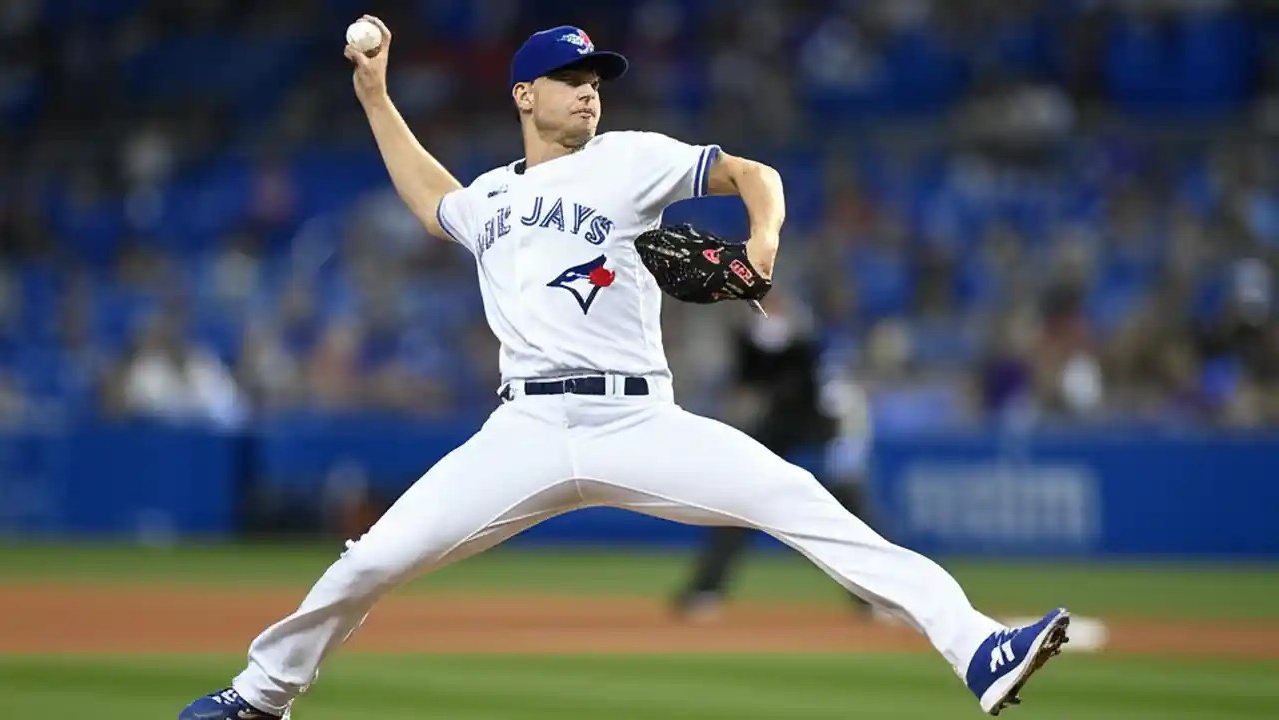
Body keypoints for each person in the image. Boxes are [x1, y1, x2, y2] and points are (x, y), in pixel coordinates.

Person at [180, 18, 1068, 720]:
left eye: (597, 80)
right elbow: (431, 200)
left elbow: (755, 174)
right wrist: (375, 94)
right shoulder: (491, 198)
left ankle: (978, 648)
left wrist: (762, 242)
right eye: (572, 80)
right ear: (526, 93)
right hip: (522, 430)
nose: (589, 93)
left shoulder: (630, 159)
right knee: (370, 562)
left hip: (639, 421)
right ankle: (259, 698)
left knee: (802, 502)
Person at [671, 290, 882, 621]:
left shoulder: (813, 352)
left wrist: (844, 449)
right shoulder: (761, 351)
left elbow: (840, 403)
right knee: (737, 509)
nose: (767, 317)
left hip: (821, 436)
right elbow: (747, 382)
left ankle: (877, 596)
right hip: (780, 433)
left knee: (849, 519)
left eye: (773, 310)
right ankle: (706, 589)